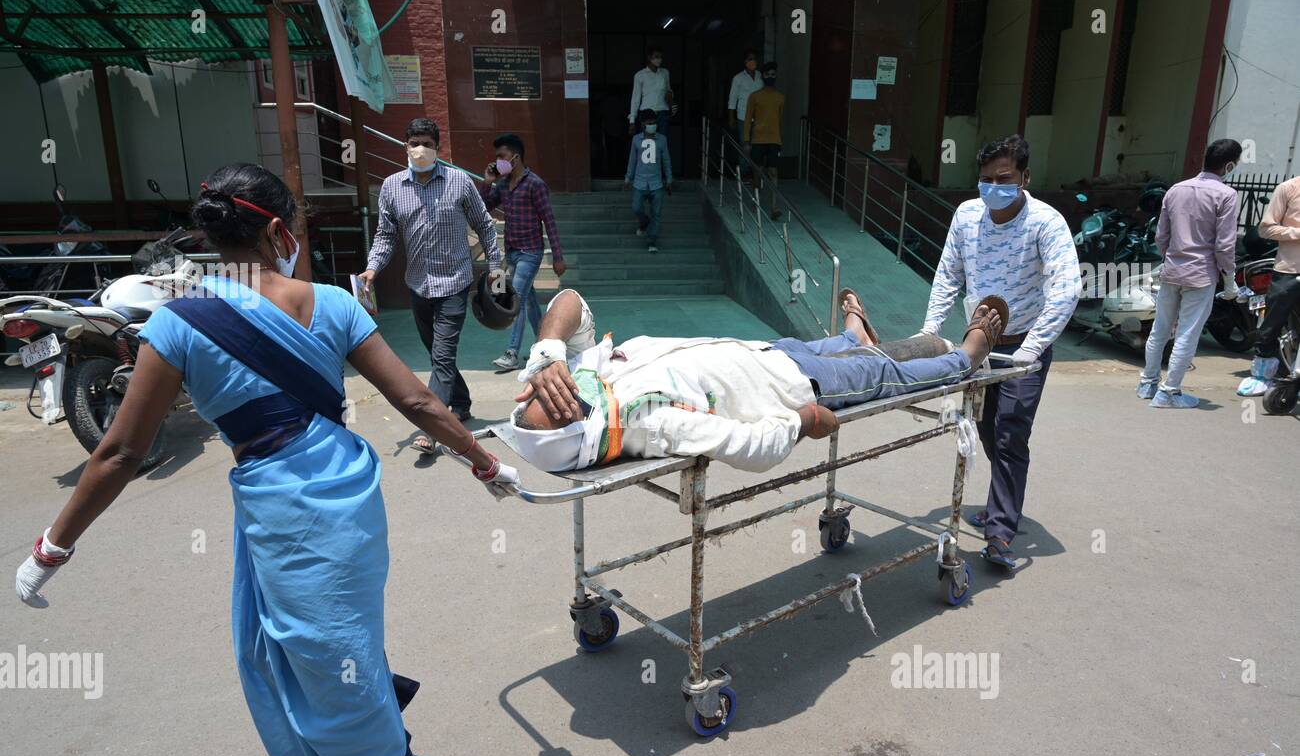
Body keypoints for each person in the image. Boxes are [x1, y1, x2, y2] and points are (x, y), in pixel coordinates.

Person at [13, 163, 518, 756]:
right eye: (299, 228)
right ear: (279, 230)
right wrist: (483, 462)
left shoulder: (178, 324)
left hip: (286, 512)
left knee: (330, 658)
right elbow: (418, 400)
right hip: (344, 502)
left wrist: (52, 548)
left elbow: (120, 454)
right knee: (327, 648)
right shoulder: (333, 304)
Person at [504, 286, 1006, 474]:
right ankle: (965, 357)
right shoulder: (647, 425)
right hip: (799, 387)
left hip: (763, 352)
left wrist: (549, 354)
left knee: (829, 346)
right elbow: (747, 445)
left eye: (557, 386)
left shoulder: (583, 375)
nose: (566, 390)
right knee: (881, 372)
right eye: (565, 402)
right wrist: (803, 421)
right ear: (580, 428)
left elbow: (571, 301)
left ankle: (853, 333)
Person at [922, 134, 1081, 570]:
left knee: (1011, 434)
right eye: (986, 179)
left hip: (1024, 346)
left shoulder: (1046, 223)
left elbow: (1066, 288)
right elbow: (948, 274)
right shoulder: (967, 216)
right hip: (980, 344)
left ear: (1025, 178)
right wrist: (930, 330)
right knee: (985, 427)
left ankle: (999, 532)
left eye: (1004, 178)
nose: (994, 187)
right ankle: (1000, 503)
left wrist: (1032, 349)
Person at [359, 117, 502, 451]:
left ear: (438, 148)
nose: (420, 149)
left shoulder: (459, 182)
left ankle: (432, 429)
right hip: (418, 284)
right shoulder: (392, 187)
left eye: (427, 143)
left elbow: (484, 224)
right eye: (414, 143)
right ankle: (461, 402)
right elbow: (386, 234)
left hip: (455, 282)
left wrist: (495, 269)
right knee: (438, 355)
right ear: (405, 146)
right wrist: (372, 269)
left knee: (441, 354)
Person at [1139, 138, 1241, 408]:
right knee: (1187, 334)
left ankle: (1147, 384)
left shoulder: (1176, 189)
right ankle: (1169, 392)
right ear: (1229, 165)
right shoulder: (1226, 195)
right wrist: (1229, 280)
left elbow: (1161, 235)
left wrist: (1171, 258)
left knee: (1160, 330)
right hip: (1201, 275)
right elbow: (1224, 245)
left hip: (1172, 270)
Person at [478, 133, 567, 371]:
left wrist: (557, 256)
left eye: (501, 156)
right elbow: (486, 205)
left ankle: (512, 352)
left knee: (515, 297)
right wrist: (487, 182)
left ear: (515, 158)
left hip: (531, 251)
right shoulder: (504, 184)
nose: (498, 162)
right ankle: (545, 348)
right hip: (513, 251)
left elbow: (549, 221)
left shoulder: (535, 184)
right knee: (528, 301)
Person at [1237, 173, 1300, 396]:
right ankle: (1262, 376)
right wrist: (1297, 232)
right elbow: (1266, 229)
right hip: (1290, 270)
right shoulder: (1288, 189)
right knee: (1272, 324)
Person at [624, 108, 673, 254]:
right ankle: (644, 222)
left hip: (656, 183)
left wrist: (669, 179)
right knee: (636, 207)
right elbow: (632, 160)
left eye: (654, 122)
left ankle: (652, 241)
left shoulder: (662, 140)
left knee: (656, 213)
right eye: (649, 123)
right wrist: (628, 178)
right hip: (639, 182)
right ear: (643, 124)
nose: (652, 125)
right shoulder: (636, 140)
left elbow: (666, 161)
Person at [743, 62, 786, 220]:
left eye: (773, 75)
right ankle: (756, 201)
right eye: (768, 74)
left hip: (774, 140)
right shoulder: (754, 96)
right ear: (763, 76)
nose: (770, 77)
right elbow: (748, 119)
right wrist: (746, 141)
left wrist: (780, 140)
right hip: (758, 140)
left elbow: (780, 121)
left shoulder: (781, 97)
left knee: (773, 172)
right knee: (757, 173)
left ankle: (775, 207)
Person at [727, 49, 762, 174]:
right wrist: (731, 119)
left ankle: (754, 173)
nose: (752, 61)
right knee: (745, 145)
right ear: (745, 61)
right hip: (743, 117)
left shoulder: (760, 76)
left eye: (754, 59)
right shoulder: (738, 78)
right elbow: (732, 99)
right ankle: (743, 172)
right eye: (749, 59)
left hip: (759, 118)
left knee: (757, 146)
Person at [629, 46, 672, 140]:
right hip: (646, 115)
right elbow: (635, 98)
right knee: (647, 144)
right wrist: (632, 121)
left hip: (662, 114)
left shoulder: (665, 73)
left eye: (661, 57)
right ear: (649, 57)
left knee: (662, 142)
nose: (659, 59)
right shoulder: (640, 75)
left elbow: (669, 91)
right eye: (656, 56)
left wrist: (670, 105)